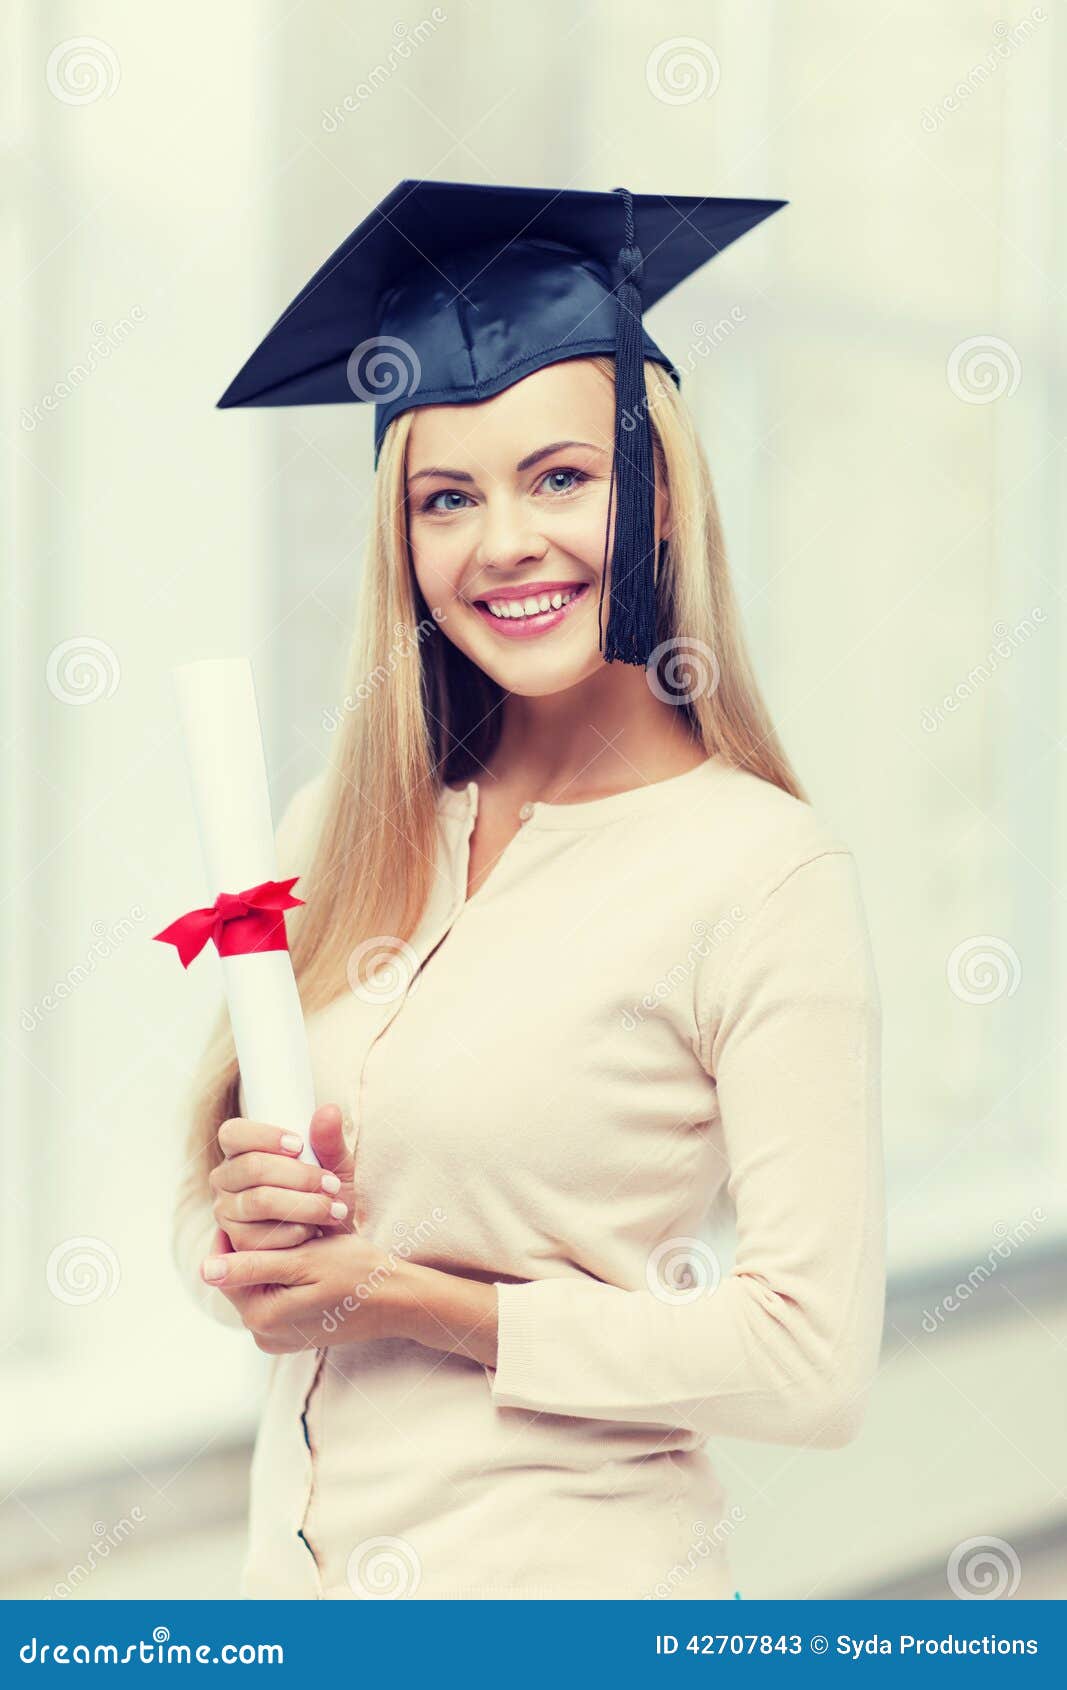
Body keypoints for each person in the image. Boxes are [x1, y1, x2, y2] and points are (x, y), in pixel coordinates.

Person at [172, 179, 886, 1600]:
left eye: (561, 477)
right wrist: (240, 1228)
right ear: (405, 537)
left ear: (658, 492)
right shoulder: (342, 827)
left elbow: (813, 1360)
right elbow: (224, 1235)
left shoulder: (756, 871)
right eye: (449, 497)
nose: (504, 541)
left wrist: (423, 1304)